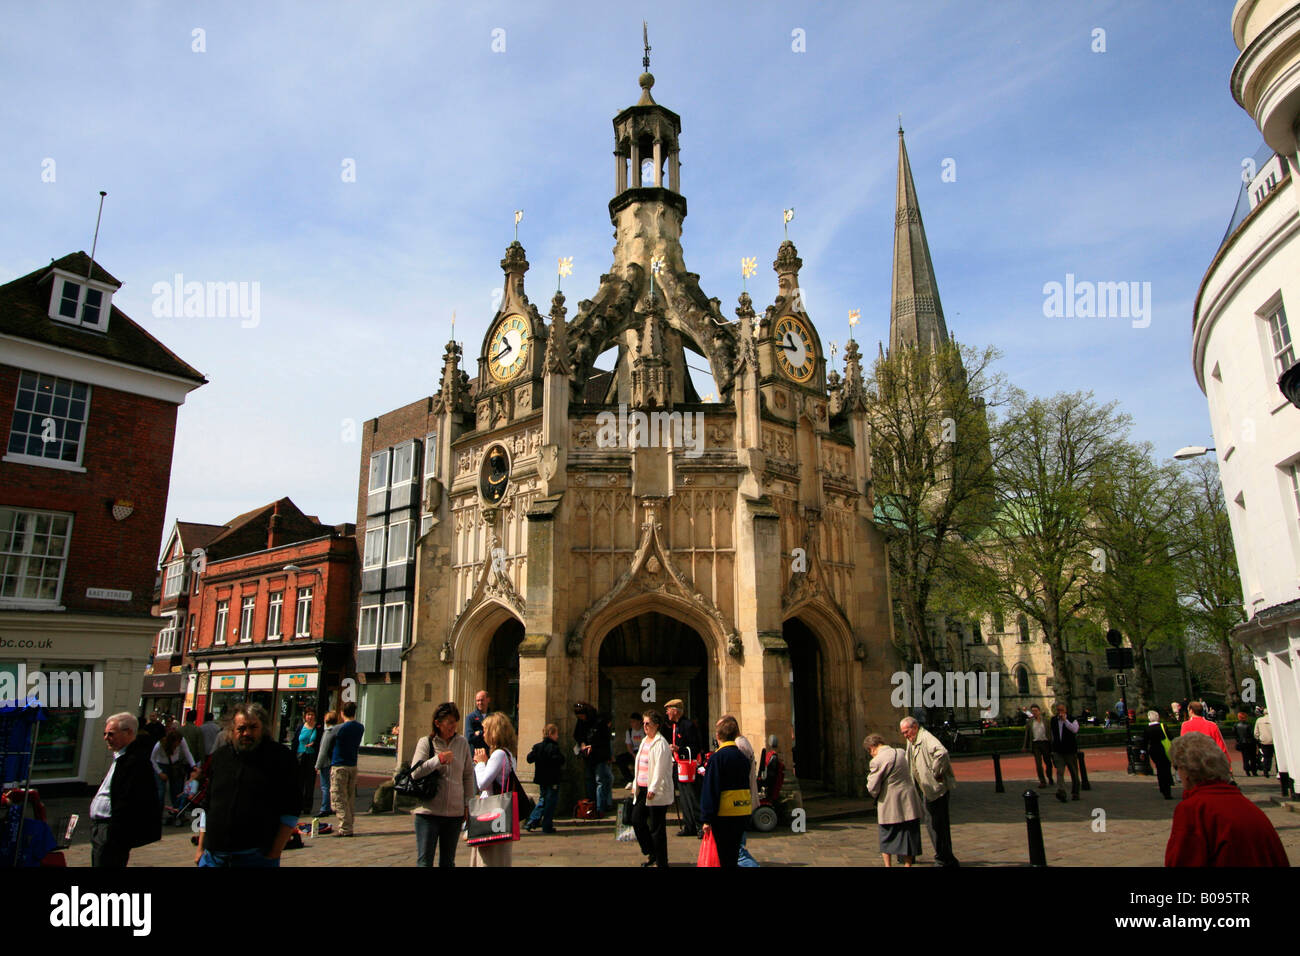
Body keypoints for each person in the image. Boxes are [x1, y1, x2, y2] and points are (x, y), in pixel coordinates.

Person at [196, 702, 300, 867]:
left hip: (255, 856)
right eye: (241, 728)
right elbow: (209, 804)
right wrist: (201, 848)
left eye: (253, 727)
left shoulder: (280, 758)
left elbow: (291, 809)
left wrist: (275, 852)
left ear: (263, 728)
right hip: (214, 856)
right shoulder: (220, 757)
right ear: (232, 729)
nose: (247, 733)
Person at [1165, 732, 1289, 867]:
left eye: (1176, 767)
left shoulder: (1193, 809)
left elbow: (1182, 860)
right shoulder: (1246, 805)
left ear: (1186, 770)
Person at [409, 701, 475, 867]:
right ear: (438, 723)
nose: (454, 726)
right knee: (425, 862)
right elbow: (415, 773)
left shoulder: (462, 743)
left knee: (448, 862)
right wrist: (437, 760)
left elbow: (468, 775)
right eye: (450, 722)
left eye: (455, 722)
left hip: (454, 814)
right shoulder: (426, 742)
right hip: (428, 812)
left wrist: (468, 804)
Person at [90, 713, 161, 867]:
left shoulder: (134, 760)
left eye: (111, 734)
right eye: (105, 733)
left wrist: (114, 831)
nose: (106, 738)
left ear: (128, 733)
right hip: (101, 827)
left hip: (111, 829)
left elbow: (130, 799)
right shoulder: (120, 757)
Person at [900, 716, 959, 867]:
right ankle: (946, 857)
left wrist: (936, 772)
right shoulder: (912, 740)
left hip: (935, 789)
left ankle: (943, 858)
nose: (905, 735)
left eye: (906, 732)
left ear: (914, 727)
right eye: (903, 733)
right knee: (933, 823)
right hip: (923, 788)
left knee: (936, 824)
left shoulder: (926, 738)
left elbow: (942, 753)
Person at [700, 715, 753, 869]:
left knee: (723, 856)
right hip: (742, 810)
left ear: (718, 736)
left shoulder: (717, 758)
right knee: (733, 854)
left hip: (724, 813)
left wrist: (706, 818)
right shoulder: (741, 757)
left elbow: (711, 790)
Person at [865, 733, 924, 867]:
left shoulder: (877, 761)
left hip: (891, 803)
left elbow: (872, 786)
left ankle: (888, 865)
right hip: (909, 801)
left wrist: (874, 793)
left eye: (870, 751)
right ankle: (907, 864)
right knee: (908, 834)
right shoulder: (901, 752)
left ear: (872, 747)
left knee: (887, 835)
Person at [470, 712, 519, 867]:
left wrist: (480, 763)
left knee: (488, 860)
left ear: (493, 731)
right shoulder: (509, 754)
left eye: (485, 730)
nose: (483, 734)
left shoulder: (498, 754)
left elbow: (483, 783)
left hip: (491, 815)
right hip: (503, 815)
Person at [630, 710, 674, 868]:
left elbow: (660, 769)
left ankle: (661, 861)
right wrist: (635, 784)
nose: (645, 726)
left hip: (655, 791)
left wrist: (653, 787)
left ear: (656, 725)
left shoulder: (661, 743)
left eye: (648, 723)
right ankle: (650, 851)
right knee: (636, 819)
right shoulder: (644, 741)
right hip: (642, 789)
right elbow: (639, 765)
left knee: (657, 828)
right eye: (644, 723)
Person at [664, 699, 703, 836]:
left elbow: (695, 747)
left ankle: (699, 826)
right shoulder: (675, 725)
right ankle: (689, 825)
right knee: (684, 797)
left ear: (675, 710)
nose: (667, 712)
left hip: (688, 766)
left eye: (668, 709)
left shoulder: (688, 725)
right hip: (679, 766)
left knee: (692, 796)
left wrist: (679, 749)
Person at [330, 702, 365, 836]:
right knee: (350, 796)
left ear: (342, 713)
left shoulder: (339, 728)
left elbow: (329, 742)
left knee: (339, 796)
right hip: (352, 764)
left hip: (339, 764)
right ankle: (349, 823)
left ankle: (345, 827)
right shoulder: (360, 727)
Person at [574, 702, 614, 817]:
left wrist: (593, 746)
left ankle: (600, 807)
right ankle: (591, 805)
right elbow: (578, 735)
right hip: (588, 756)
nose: (581, 718)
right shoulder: (581, 722)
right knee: (589, 780)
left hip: (599, 755)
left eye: (581, 715)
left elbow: (605, 739)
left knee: (600, 780)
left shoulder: (599, 722)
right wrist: (582, 744)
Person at [524, 723, 565, 833]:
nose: (557, 736)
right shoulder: (554, 748)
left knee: (543, 799)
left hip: (542, 779)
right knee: (550, 802)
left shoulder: (538, 747)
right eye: (556, 734)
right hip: (552, 779)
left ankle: (532, 820)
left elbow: (529, 758)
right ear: (551, 734)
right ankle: (546, 826)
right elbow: (560, 760)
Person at [151, 726, 196, 825]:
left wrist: (193, 765)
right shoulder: (159, 745)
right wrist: (160, 772)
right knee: (160, 792)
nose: (178, 745)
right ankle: (157, 815)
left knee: (177, 791)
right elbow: (152, 759)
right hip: (161, 765)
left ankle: (178, 813)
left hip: (174, 765)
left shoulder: (181, 740)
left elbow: (187, 752)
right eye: (176, 744)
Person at [733, 731, 761, 867]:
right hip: (742, 801)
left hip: (740, 802)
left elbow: (739, 775)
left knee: (739, 851)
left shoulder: (739, 745)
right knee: (738, 849)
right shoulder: (741, 743)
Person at [1050, 703, 1080, 802]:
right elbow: (1052, 735)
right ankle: (1061, 791)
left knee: (1074, 772)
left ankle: (1075, 792)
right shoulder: (1054, 720)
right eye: (1058, 710)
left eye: (1061, 710)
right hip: (1058, 751)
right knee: (1059, 772)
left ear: (1065, 710)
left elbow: (1075, 730)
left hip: (1070, 750)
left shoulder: (1072, 719)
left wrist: (1065, 721)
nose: (1060, 712)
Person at [294, 708, 321, 812]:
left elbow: (320, 742)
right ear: (305, 716)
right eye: (308, 715)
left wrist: (314, 744)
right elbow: (295, 742)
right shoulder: (300, 727)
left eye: (312, 715)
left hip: (311, 756)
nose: (310, 717)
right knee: (299, 782)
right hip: (300, 756)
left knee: (310, 782)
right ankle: (298, 804)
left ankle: (307, 806)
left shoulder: (318, 727)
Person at [1143, 710, 1175, 799]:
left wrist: (1143, 752)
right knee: (1166, 769)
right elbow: (1171, 737)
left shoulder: (1147, 729)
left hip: (1154, 751)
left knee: (1160, 769)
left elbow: (1144, 742)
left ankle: (1163, 787)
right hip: (1165, 750)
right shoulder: (1162, 726)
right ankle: (1167, 788)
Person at [1021, 704, 1054, 789]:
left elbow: (1051, 733)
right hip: (1036, 744)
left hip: (1045, 743)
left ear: (1039, 711)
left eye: (1036, 711)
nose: (1034, 713)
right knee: (1038, 764)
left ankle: (1049, 777)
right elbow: (1027, 735)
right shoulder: (1030, 722)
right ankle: (1042, 781)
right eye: (1033, 711)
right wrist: (1025, 746)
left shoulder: (1046, 721)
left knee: (1048, 763)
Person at [315, 711, 339, 815]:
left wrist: (317, 765)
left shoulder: (328, 732)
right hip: (333, 761)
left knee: (325, 786)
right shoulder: (337, 731)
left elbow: (323, 750)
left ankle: (325, 808)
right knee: (332, 786)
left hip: (326, 762)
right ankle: (332, 805)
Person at [617, 711, 644, 787]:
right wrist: (633, 754)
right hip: (634, 752)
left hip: (643, 751)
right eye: (631, 722)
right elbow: (629, 745)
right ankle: (630, 780)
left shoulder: (644, 730)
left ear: (639, 722)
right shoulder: (629, 731)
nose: (632, 724)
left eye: (634, 722)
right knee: (620, 759)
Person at [466, 690, 492, 756]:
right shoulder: (470, 717)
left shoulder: (493, 717)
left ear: (488, 700)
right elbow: (469, 737)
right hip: (475, 756)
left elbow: (496, 736)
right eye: (478, 701)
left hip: (489, 755)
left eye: (482, 700)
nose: (480, 703)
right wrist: (485, 732)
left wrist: (479, 733)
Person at [1233, 711, 1259, 777]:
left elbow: (1235, 734)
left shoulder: (1236, 725)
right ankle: (1254, 771)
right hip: (1250, 743)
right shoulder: (1249, 725)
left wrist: (1238, 740)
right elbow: (1252, 733)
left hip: (1242, 743)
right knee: (1253, 758)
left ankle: (1247, 770)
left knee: (1245, 758)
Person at [1255, 709, 1275, 777]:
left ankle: (1266, 770)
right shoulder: (1274, 719)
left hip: (1264, 741)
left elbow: (1256, 732)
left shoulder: (1259, 720)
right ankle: (1279, 771)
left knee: (1266, 756)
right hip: (1274, 740)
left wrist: (1258, 738)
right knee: (1277, 758)